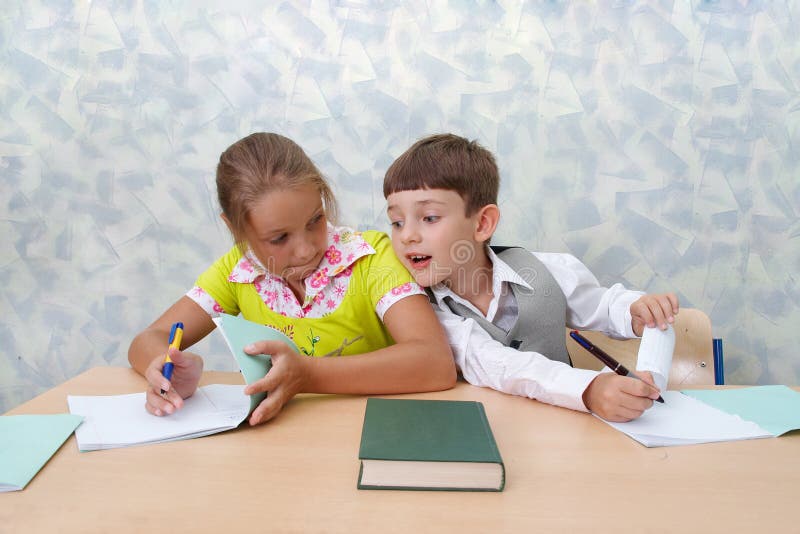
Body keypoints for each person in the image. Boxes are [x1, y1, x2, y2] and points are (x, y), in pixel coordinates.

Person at [129, 132, 456, 425]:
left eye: (315, 220)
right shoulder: (237, 272)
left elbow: (434, 362)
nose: (305, 250)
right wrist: (165, 367)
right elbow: (149, 338)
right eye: (279, 238)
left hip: (377, 431)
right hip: (285, 446)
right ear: (234, 228)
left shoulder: (371, 258)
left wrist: (308, 375)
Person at [383, 133, 679, 422]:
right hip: (487, 433)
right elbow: (496, 362)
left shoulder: (546, 269)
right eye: (396, 222)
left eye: (429, 217)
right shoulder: (418, 311)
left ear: (482, 223)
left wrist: (634, 311)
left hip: (568, 433)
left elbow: (602, 305)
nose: (407, 235)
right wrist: (588, 390)